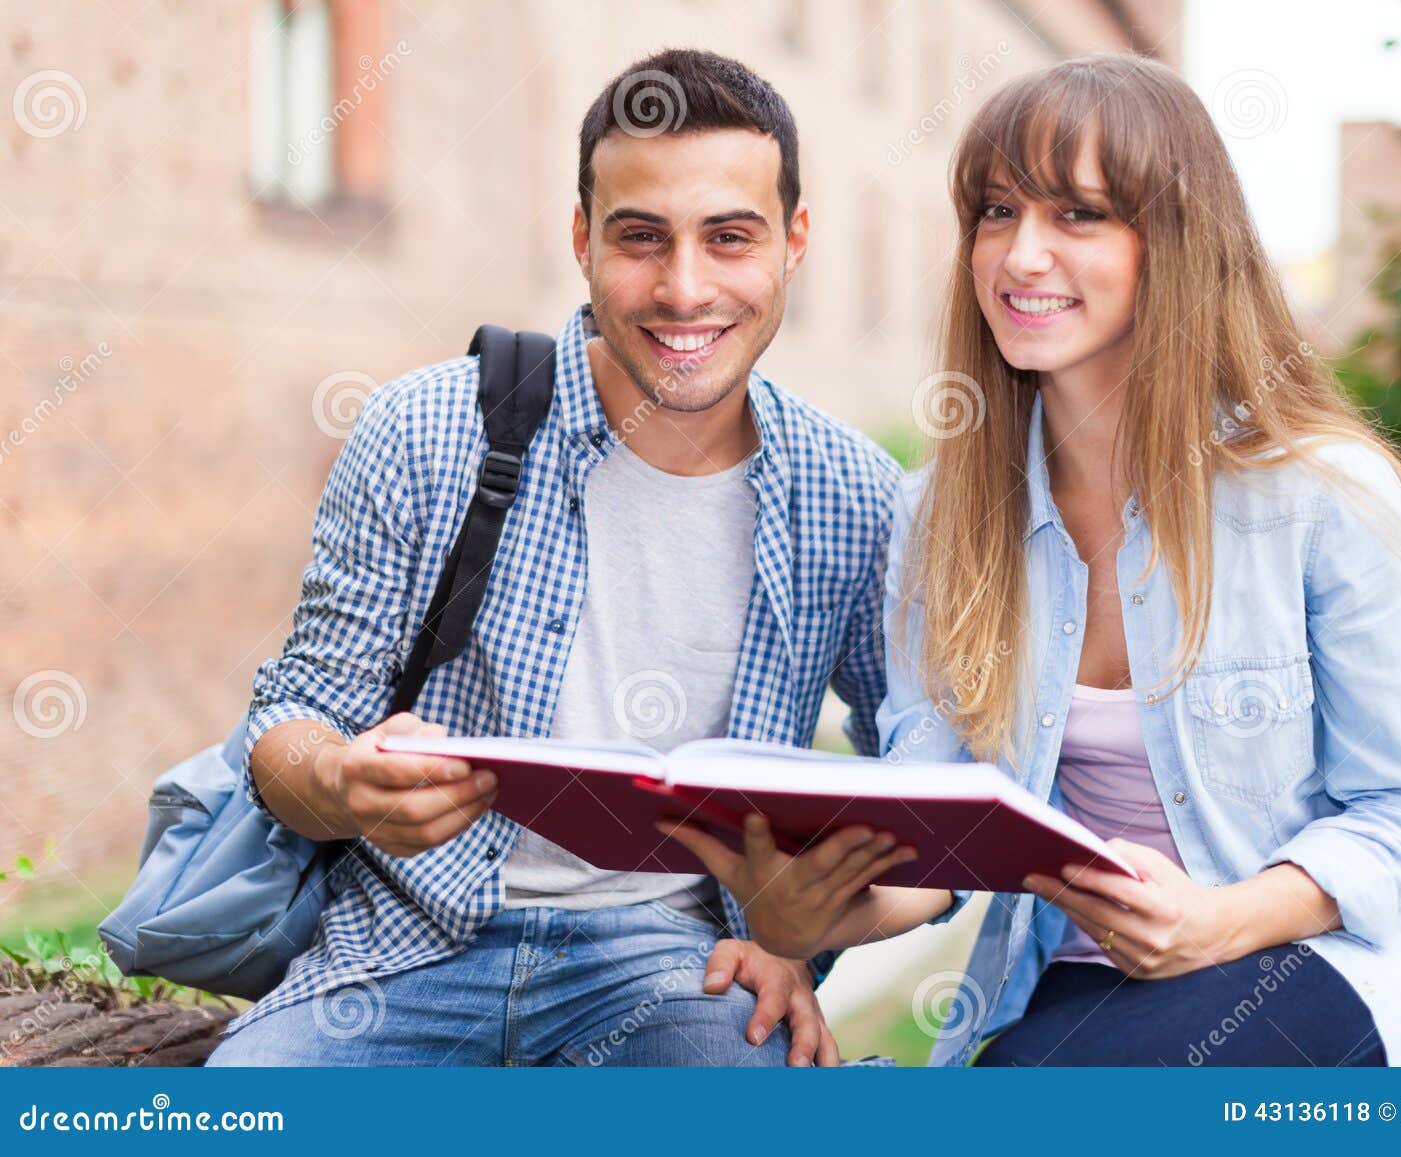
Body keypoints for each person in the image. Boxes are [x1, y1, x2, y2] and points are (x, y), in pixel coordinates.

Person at [660, 53, 1401, 1068]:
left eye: (1077, 214)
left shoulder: (1322, 495)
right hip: (1083, 971)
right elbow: (936, 831)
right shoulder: (942, 516)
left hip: (1320, 951)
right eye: (995, 210)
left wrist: (1217, 920)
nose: (1020, 255)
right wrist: (806, 921)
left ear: (1171, 243)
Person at [207, 48, 906, 1068]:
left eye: (729, 238)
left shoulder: (855, 495)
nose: (683, 287)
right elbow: (289, 721)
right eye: (639, 238)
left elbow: (925, 779)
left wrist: (802, 927)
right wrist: (345, 784)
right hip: (404, 943)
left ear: (794, 242)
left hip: (678, 965)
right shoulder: (427, 427)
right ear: (581, 239)